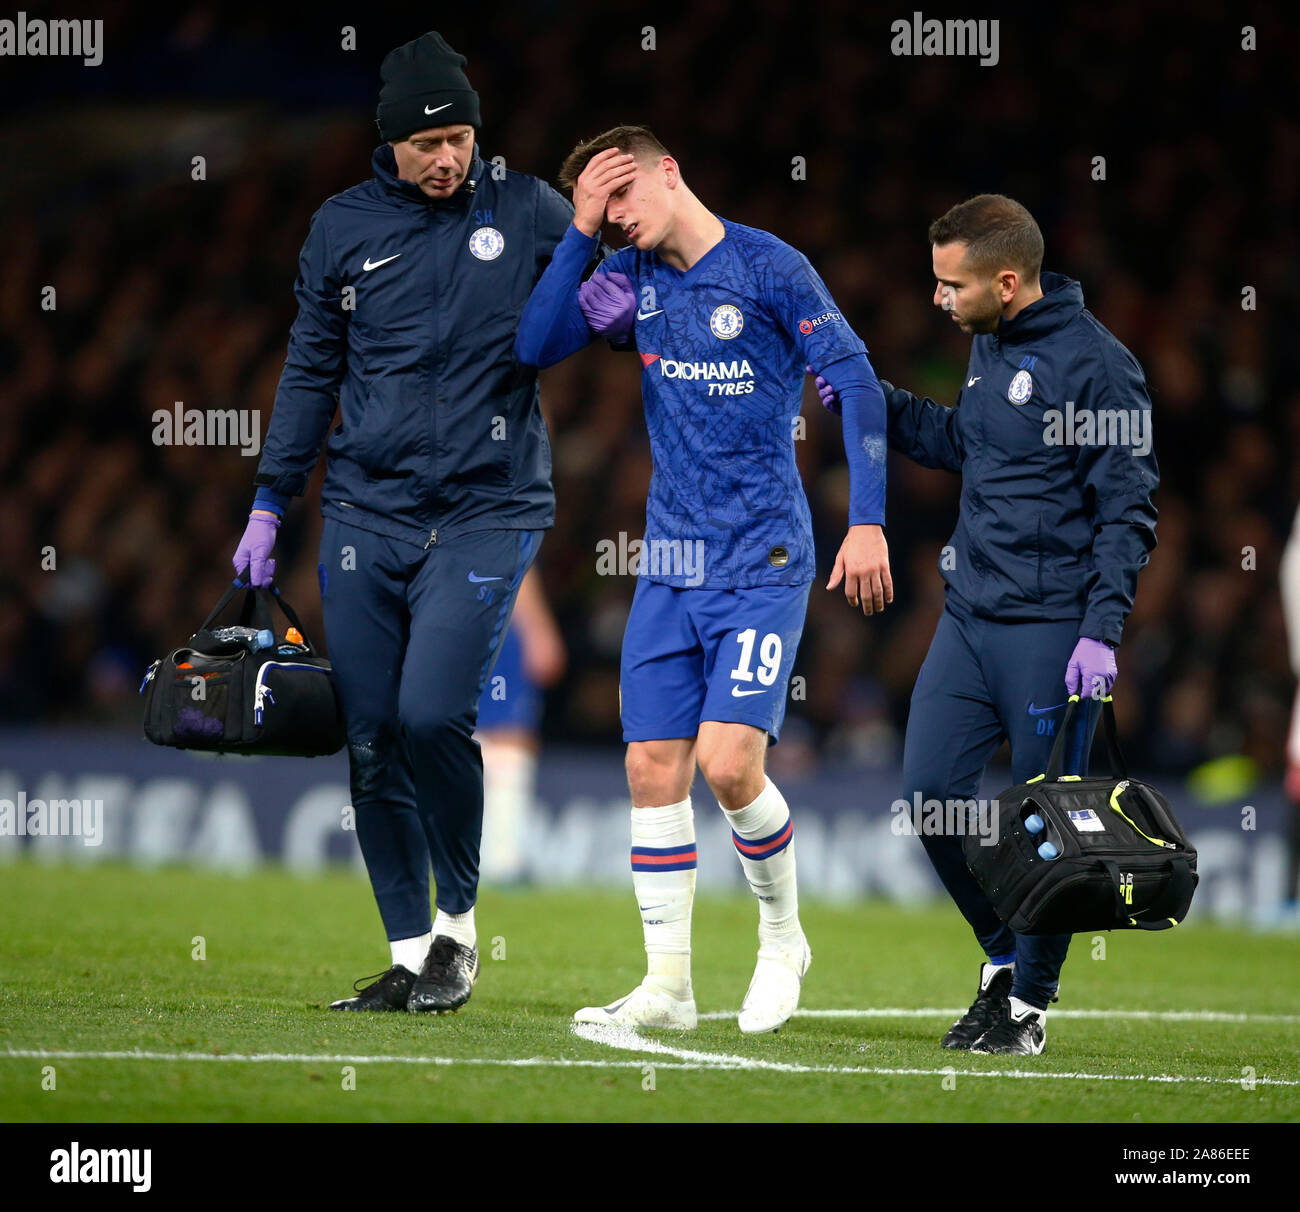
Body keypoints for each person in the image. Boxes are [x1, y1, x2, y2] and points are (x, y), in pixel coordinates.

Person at [232, 31, 613, 1016]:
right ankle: (410, 954)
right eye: (428, 141)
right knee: (368, 740)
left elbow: (616, 284)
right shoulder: (341, 228)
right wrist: (272, 498)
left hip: (489, 510)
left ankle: (459, 929)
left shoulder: (528, 208)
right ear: (389, 145)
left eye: (461, 136)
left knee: (431, 715)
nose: (449, 158)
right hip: (366, 509)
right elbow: (312, 369)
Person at [514, 126, 891, 1033]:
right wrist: (578, 231)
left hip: (762, 562)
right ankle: (670, 988)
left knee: (728, 766)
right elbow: (535, 344)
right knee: (652, 769)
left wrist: (868, 519)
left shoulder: (770, 269)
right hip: (669, 566)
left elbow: (861, 384)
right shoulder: (626, 279)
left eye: (622, 201)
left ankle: (782, 937)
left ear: (669, 172)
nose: (616, 223)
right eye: (601, 212)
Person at [818, 194, 1158, 1054]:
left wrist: (1101, 629)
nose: (939, 299)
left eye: (951, 284)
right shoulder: (988, 343)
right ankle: (1003, 960)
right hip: (969, 621)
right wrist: (868, 397)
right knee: (931, 801)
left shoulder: (1100, 368)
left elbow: (1128, 509)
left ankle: (1027, 1010)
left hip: (1052, 631)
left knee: (1046, 826)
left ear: (1007, 282)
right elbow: (959, 441)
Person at [475, 566, 566, 885]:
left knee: (463, 728)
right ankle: (503, 861)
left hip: (449, 605)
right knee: (508, 737)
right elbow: (515, 552)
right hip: (495, 611)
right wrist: (539, 630)